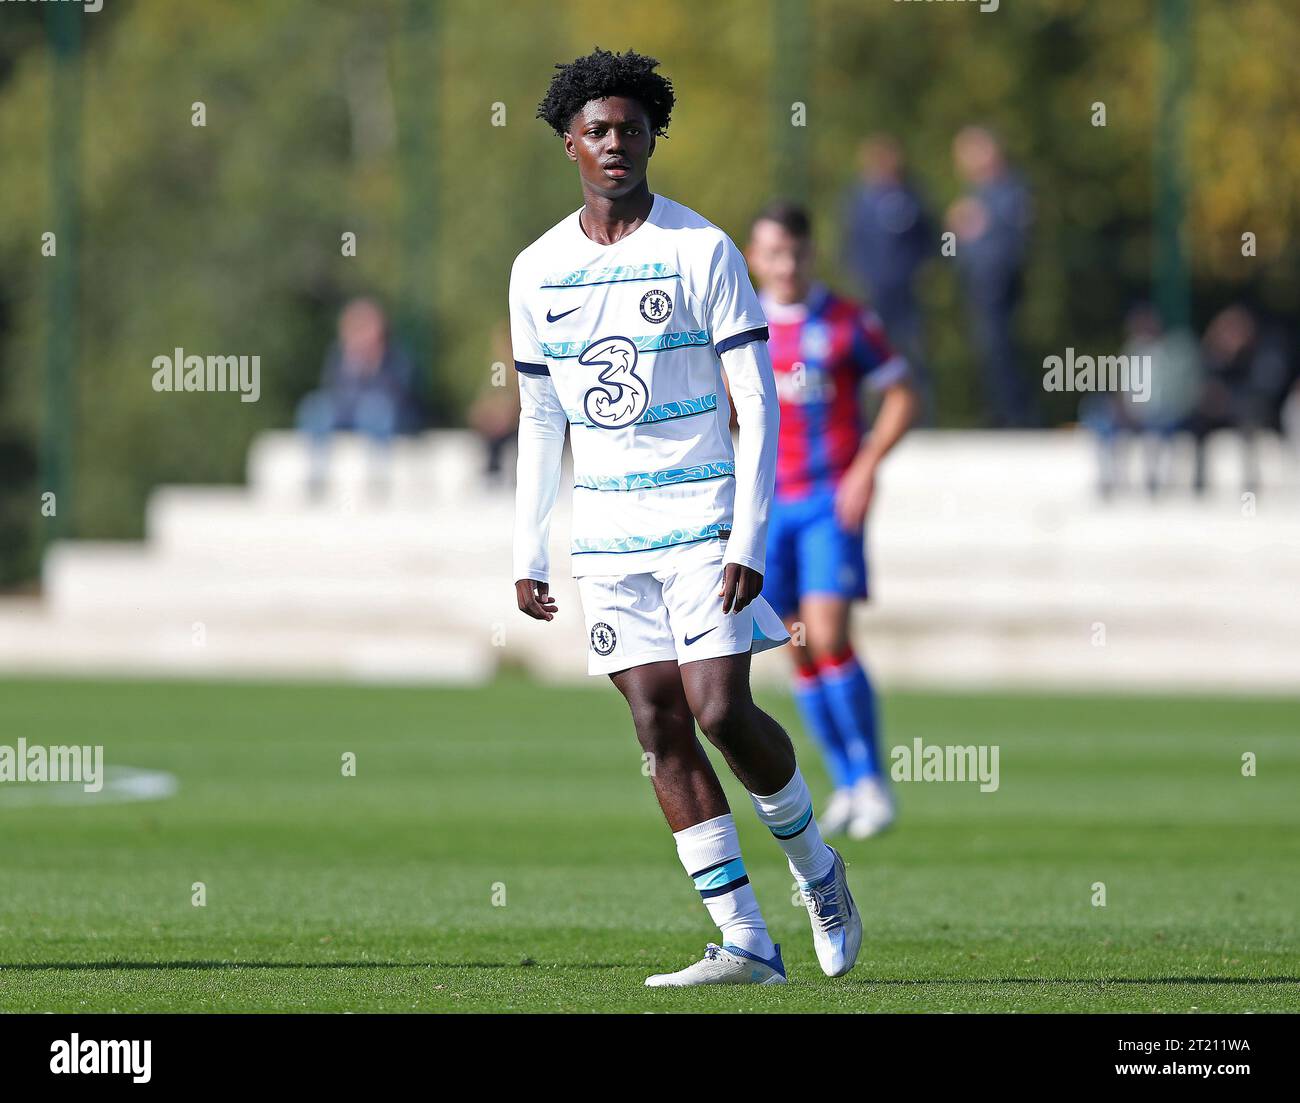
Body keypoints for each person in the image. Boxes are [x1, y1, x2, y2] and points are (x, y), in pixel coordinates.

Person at [510, 48, 861, 987]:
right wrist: (528, 545)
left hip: (704, 519)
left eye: (630, 127)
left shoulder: (702, 249)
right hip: (608, 538)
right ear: (568, 146)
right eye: (596, 131)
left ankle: (819, 875)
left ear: (654, 135)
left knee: (718, 707)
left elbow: (759, 400)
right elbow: (541, 417)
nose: (614, 143)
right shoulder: (536, 270)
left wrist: (749, 534)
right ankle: (745, 938)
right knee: (659, 726)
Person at [745, 201, 917, 840]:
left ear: (809, 254)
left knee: (828, 631)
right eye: (773, 254)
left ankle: (872, 778)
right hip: (765, 509)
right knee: (796, 645)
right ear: (754, 257)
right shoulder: (741, 323)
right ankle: (846, 782)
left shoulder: (845, 322)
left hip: (826, 501)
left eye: (796, 252)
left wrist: (868, 463)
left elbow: (902, 391)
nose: (786, 265)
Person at [947, 126, 1034, 428]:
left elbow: (1012, 238)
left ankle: (1017, 415)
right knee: (987, 347)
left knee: (1002, 346)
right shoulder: (977, 193)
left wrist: (978, 223)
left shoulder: (1010, 189)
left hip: (999, 282)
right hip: (980, 282)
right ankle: (999, 411)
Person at [843, 134, 934, 421]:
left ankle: (920, 417)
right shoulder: (859, 201)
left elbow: (929, 239)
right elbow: (849, 244)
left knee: (911, 353)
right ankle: (870, 418)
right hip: (873, 292)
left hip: (906, 292)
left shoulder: (913, 196)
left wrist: (920, 270)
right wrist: (860, 277)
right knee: (869, 355)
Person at [295, 298, 417, 496]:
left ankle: (379, 471)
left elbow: (397, 393)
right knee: (316, 408)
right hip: (345, 409)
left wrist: (372, 363)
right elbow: (332, 386)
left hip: (379, 413)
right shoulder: (339, 355)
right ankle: (317, 472)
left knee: (375, 410)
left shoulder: (394, 357)